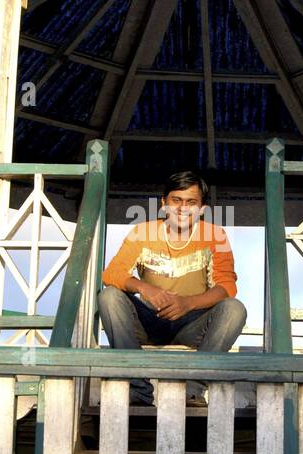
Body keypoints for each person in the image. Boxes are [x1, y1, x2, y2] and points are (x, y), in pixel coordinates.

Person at [98, 170, 247, 406]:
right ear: (164, 203)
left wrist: (187, 303)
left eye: (191, 202)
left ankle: (193, 390)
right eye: (176, 200)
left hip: (191, 324)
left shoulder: (215, 235)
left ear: (202, 208)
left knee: (234, 309)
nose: (182, 208)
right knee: (109, 296)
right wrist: (144, 288)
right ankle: (138, 388)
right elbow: (111, 274)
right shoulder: (142, 232)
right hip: (148, 320)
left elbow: (226, 286)